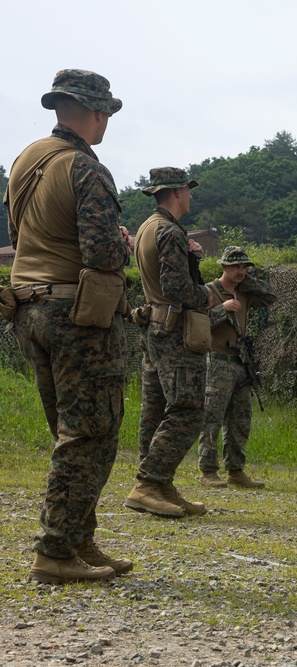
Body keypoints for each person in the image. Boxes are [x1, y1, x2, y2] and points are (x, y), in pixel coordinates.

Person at [3, 69, 133, 583]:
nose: (106, 123)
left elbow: (22, 235)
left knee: (69, 431)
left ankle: (78, 539)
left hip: (27, 309)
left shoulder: (25, 160)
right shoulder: (85, 167)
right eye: (106, 114)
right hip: (75, 316)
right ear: (95, 111)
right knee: (90, 433)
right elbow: (101, 253)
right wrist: (121, 243)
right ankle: (55, 549)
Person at [127, 167, 215, 518]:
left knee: (155, 409)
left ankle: (159, 485)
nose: (191, 196)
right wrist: (206, 293)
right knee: (188, 410)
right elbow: (178, 289)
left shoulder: (148, 227)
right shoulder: (169, 231)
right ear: (176, 192)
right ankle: (149, 483)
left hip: (154, 328)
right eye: (188, 191)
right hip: (174, 331)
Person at [197, 246, 276, 489]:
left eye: (244, 267)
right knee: (212, 417)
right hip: (218, 362)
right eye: (235, 267)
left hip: (241, 364)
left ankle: (236, 469)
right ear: (223, 267)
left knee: (241, 419)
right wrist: (223, 309)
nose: (240, 271)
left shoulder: (245, 293)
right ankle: (208, 470)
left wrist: (245, 279)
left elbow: (270, 295)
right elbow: (197, 323)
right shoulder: (209, 291)